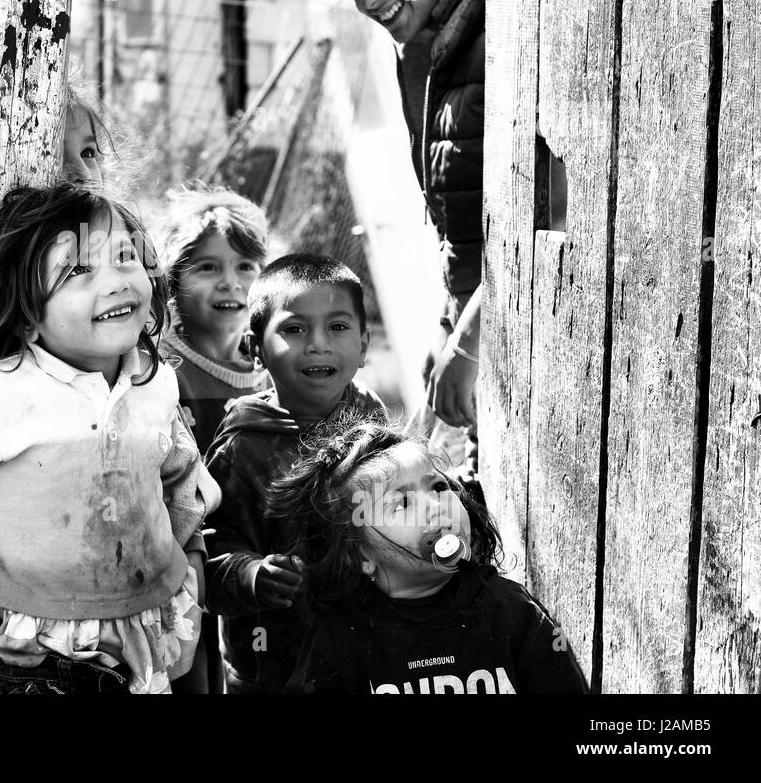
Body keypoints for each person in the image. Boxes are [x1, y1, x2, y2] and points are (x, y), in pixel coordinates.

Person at [0, 184, 220, 694]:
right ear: (28, 313)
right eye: (77, 271)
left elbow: (179, 474)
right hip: (46, 663)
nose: (117, 281)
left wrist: (190, 559)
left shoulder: (154, 382)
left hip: (155, 641)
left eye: (125, 258)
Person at [293, 0, 485, 468]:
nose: (370, 1)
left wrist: (472, 340)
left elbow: (542, 212)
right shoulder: (422, 51)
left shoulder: (509, 28)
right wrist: (448, 328)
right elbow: (464, 220)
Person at [268, 421, 589, 694]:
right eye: (402, 503)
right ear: (359, 555)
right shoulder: (339, 643)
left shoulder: (510, 610)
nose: (436, 506)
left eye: (438, 487)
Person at [205, 253, 387, 693]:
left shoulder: (371, 418)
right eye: (294, 329)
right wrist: (251, 575)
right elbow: (205, 554)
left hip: (366, 653)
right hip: (273, 667)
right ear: (257, 349)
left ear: (364, 346)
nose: (318, 344)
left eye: (338, 327)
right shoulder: (243, 447)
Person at [156, 184, 272, 693]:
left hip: (253, 562)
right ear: (174, 280)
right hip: (185, 564)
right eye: (207, 267)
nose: (231, 283)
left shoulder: (273, 366)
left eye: (246, 266)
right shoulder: (161, 372)